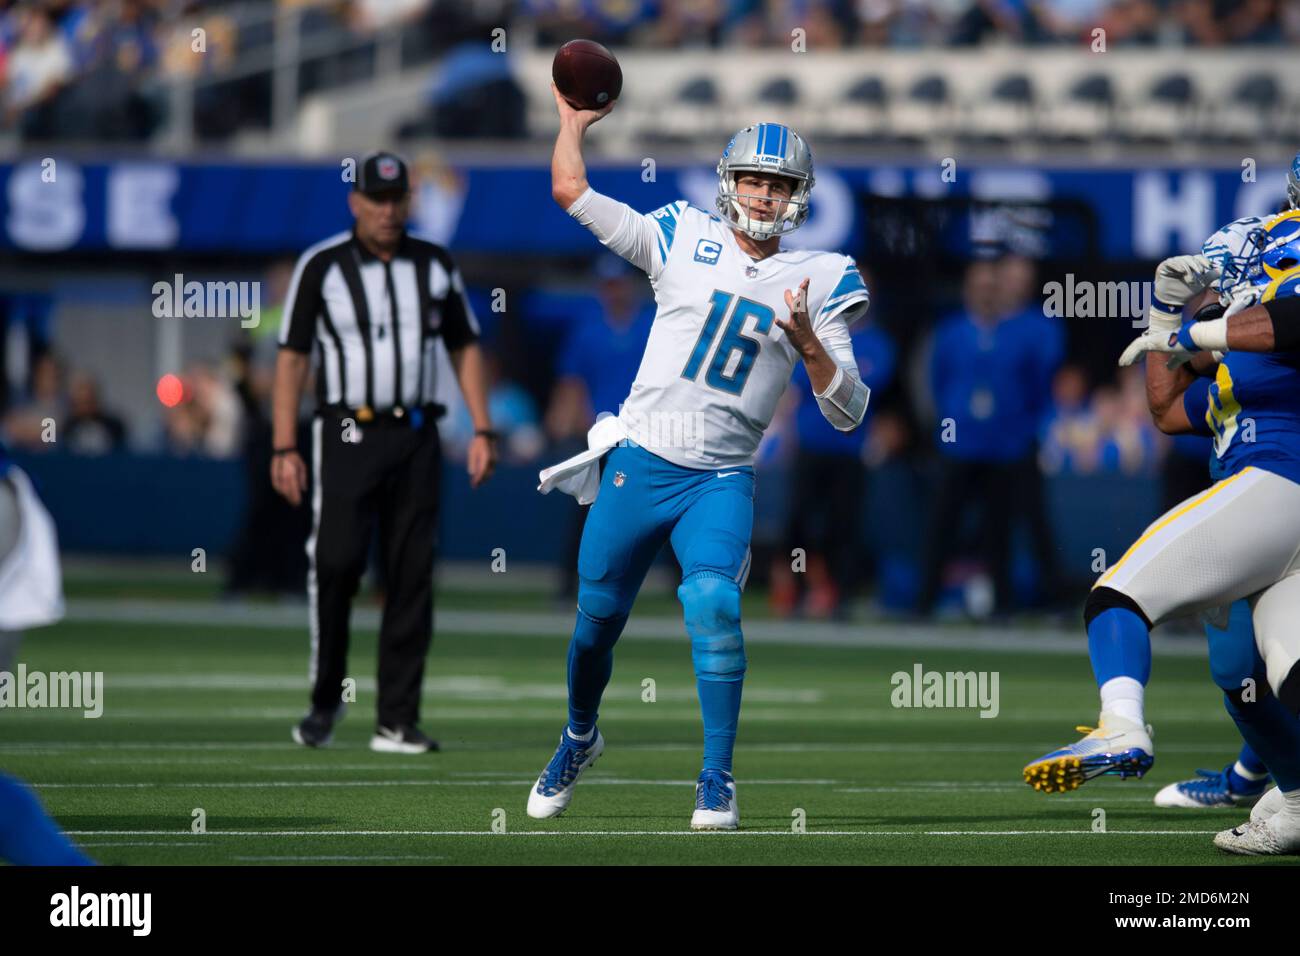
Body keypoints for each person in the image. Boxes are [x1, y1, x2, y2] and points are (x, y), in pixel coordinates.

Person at [528, 91, 872, 829]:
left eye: (777, 184)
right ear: (729, 182)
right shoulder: (680, 233)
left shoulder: (822, 274)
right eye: (753, 179)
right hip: (640, 461)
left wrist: (808, 339)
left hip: (720, 476)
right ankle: (578, 737)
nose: (762, 194)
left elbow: (849, 412)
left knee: (713, 601)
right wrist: (571, 122)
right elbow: (570, 191)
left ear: (798, 198)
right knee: (594, 625)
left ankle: (717, 778)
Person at [1024, 203, 1300, 855]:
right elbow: (1169, 411)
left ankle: (1120, 725)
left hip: (1283, 486)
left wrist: (1199, 335)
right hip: (1280, 516)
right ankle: (1293, 798)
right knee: (1275, 673)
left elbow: (1284, 321)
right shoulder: (1246, 351)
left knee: (1117, 597)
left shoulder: (1274, 307)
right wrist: (1165, 316)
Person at [271, 151, 497, 754]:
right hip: (344, 430)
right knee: (338, 563)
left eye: (397, 200)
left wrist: (482, 428)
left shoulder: (433, 263)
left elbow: (464, 345)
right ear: (356, 203)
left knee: (411, 574)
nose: (388, 211)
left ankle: (396, 719)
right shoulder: (321, 265)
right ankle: (325, 701)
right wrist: (284, 444)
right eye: (377, 199)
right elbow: (291, 357)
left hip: (417, 432)